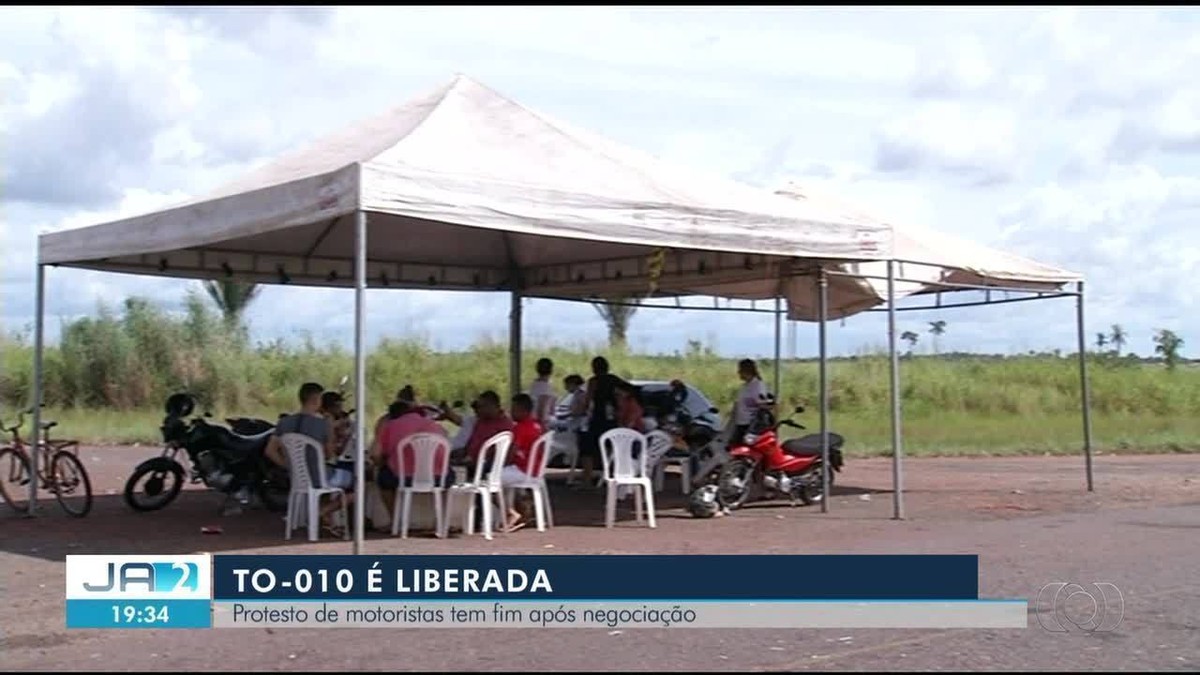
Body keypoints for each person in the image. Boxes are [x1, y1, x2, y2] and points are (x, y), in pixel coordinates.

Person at [265, 382, 350, 537]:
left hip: (297, 479)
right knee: (358, 483)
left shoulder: (284, 423)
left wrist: (289, 466)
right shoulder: (324, 424)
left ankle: (324, 518)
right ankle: (322, 512)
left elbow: (270, 451)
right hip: (320, 477)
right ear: (317, 400)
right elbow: (330, 454)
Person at [370, 399, 452, 517]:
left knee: (383, 480)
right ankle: (444, 521)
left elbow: (375, 455)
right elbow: (447, 448)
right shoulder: (434, 425)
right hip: (439, 478)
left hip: (404, 478)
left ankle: (395, 520)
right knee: (450, 477)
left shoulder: (390, 426)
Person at [575, 356, 632, 489]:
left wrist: (580, 411)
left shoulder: (594, 382)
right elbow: (627, 394)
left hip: (598, 418)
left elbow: (587, 401)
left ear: (594, 368)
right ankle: (613, 475)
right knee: (612, 447)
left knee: (586, 447)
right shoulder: (616, 381)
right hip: (613, 419)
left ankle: (587, 480)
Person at [500, 393, 544, 532]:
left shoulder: (520, 427)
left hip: (524, 469)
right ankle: (524, 508)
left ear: (523, 410)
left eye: (514, 409)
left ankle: (510, 512)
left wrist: (503, 463)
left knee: (490, 481)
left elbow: (512, 450)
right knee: (507, 480)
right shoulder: (537, 425)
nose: (511, 412)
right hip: (536, 470)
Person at [443, 390, 514, 469]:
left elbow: (500, 451)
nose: (479, 410)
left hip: (487, 463)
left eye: (482, 406)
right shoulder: (480, 420)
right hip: (469, 458)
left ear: (492, 406)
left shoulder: (505, 425)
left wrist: (473, 459)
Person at [731, 358, 769, 443]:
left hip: (750, 424)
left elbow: (762, 404)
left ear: (746, 371)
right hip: (741, 422)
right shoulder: (745, 386)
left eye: (740, 370)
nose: (738, 373)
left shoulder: (758, 386)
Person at [529, 357, 557, 428]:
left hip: (533, 419)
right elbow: (542, 407)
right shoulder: (545, 386)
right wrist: (542, 425)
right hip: (541, 421)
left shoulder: (534, 384)